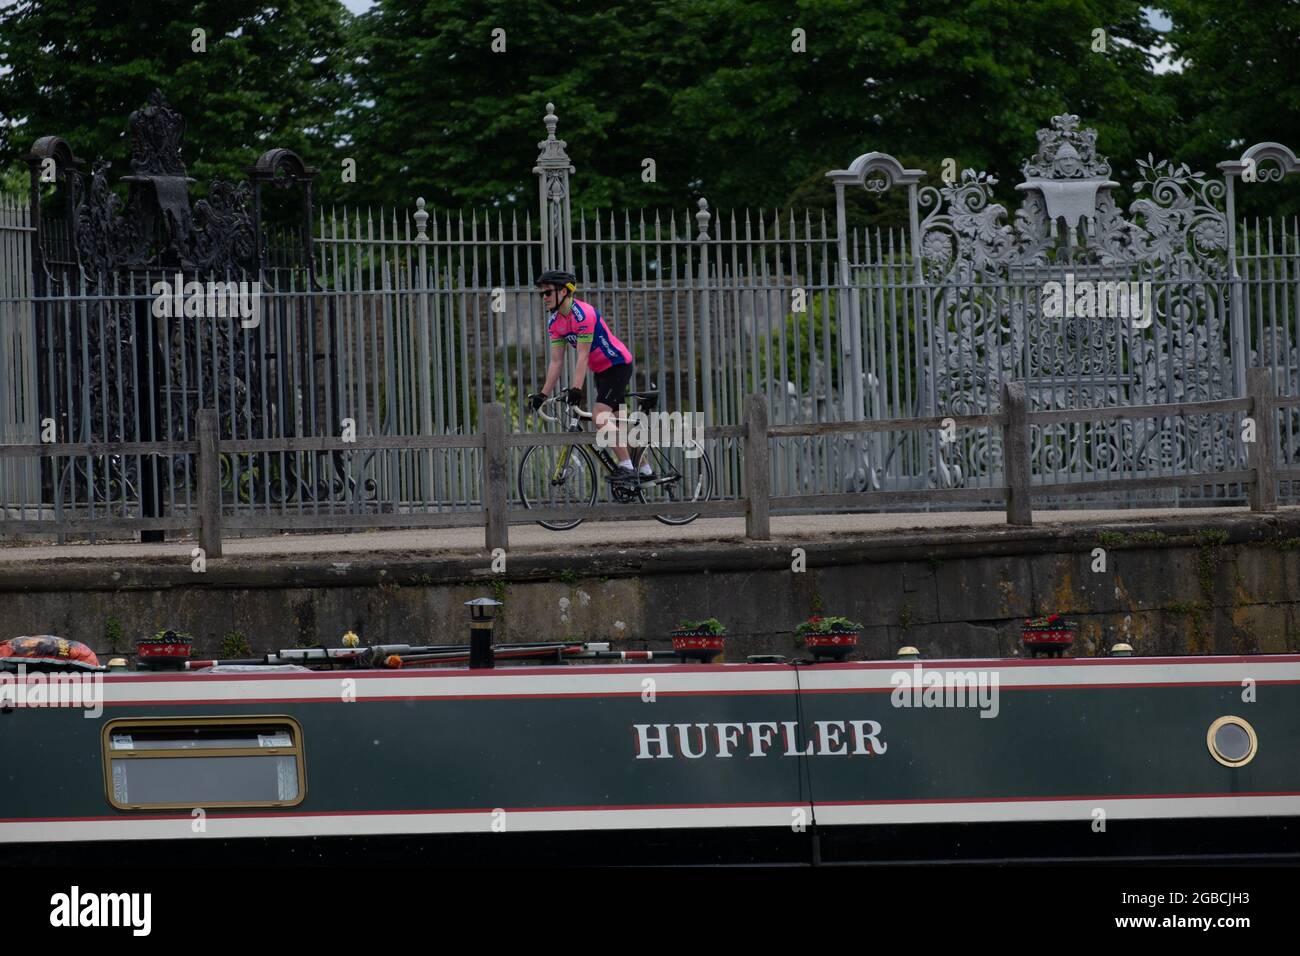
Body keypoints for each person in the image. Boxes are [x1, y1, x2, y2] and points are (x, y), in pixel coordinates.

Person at [527, 270, 649, 482]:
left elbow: (582, 356)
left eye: (547, 293)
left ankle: (627, 467)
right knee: (616, 425)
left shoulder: (584, 314)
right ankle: (646, 470)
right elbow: (556, 362)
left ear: (563, 291)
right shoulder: (554, 323)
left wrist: (576, 389)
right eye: (542, 294)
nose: (543, 298)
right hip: (600, 371)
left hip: (618, 365)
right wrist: (542, 394)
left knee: (600, 416)